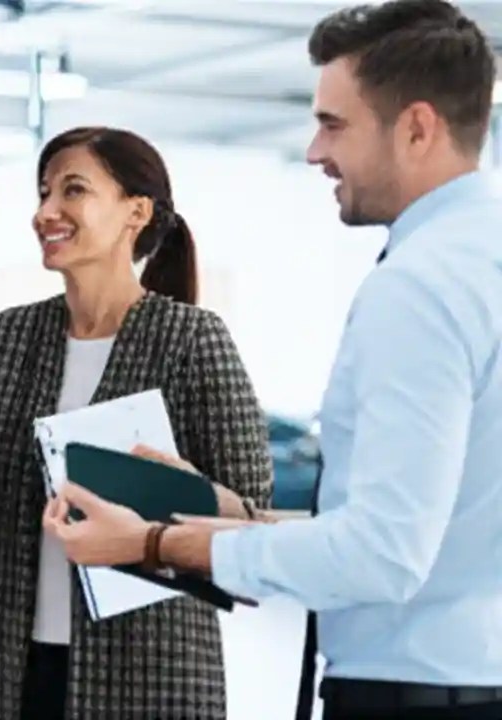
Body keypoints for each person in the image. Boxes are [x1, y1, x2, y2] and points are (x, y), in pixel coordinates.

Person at [44, 2, 502, 720]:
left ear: (417, 128)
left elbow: (383, 554)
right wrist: (234, 518)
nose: (316, 152)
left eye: (332, 124)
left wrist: (159, 541)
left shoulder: (419, 287)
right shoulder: (483, 259)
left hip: (413, 698)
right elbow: (426, 524)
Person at [0, 126, 274, 720]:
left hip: (150, 669)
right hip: (14, 664)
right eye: (42, 194)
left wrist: (171, 493)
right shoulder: (12, 336)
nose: (46, 212)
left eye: (73, 191)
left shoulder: (192, 341)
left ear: (135, 212)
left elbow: (250, 510)